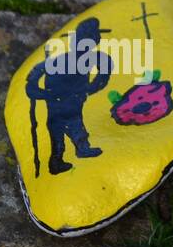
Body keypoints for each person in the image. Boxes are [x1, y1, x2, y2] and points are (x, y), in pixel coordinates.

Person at [26, 17, 113, 174]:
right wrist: (40, 92)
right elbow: (35, 76)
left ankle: (74, 152)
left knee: (69, 125)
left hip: (71, 101)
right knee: (64, 127)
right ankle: (60, 159)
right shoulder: (59, 60)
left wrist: (89, 88)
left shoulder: (92, 58)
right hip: (58, 102)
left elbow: (104, 72)